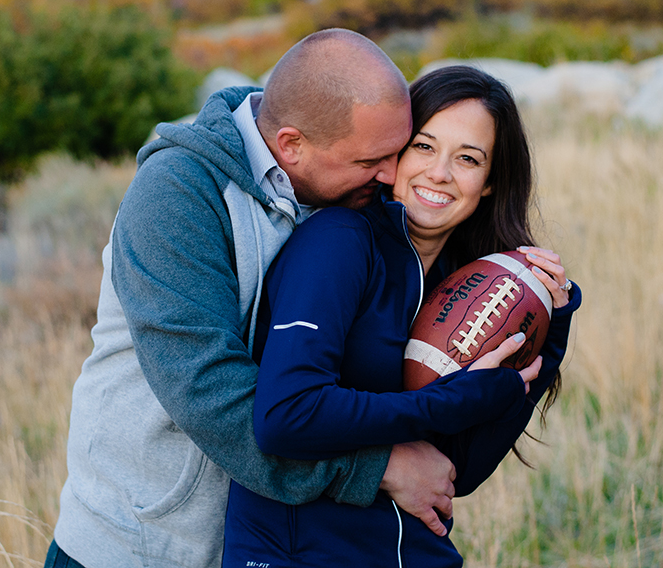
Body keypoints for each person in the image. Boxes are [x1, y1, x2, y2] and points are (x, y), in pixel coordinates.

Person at [45, 29, 463, 568]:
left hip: (274, 547)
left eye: (397, 153)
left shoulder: (340, 186)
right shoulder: (177, 195)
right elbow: (208, 391)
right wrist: (376, 467)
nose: (391, 175)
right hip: (143, 546)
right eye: (371, 162)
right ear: (291, 145)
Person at [221, 65, 582, 567]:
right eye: (424, 147)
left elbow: (457, 472)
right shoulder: (339, 241)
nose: (439, 173)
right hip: (297, 555)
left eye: (468, 158)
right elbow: (285, 416)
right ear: (394, 153)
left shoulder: (470, 289)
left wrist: (551, 327)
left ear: (490, 182)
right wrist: (450, 401)